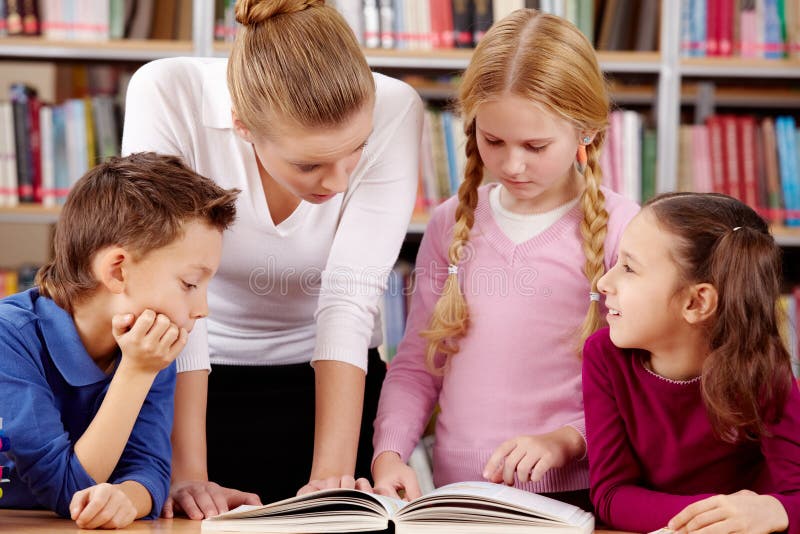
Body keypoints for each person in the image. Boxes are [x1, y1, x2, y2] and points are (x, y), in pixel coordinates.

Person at [121, 0, 423, 516]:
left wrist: (331, 477)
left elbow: (349, 299)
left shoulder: (396, 107)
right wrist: (189, 473)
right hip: (189, 379)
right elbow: (173, 285)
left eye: (356, 150)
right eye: (310, 164)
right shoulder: (168, 95)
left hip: (332, 387)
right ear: (241, 124)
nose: (339, 181)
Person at [370, 8, 639, 510]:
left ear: (586, 131)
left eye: (536, 146)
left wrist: (566, 440)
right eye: (493, 141)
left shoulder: (626, 229)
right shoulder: (451, 223)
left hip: (577, 494)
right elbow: (416, 365)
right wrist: (390, 453)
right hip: (458, 494)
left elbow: (642, 378)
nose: (513, 164)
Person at [0, 153, 238, 529]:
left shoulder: (148, 345)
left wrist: (125, 498)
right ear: (118, 270)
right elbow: (66, 490)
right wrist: (136, 372)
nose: (202, 309)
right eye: (190, 284)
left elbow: (152, 470)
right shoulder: (9, 336)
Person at [583, 192, 800, 533]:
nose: (603, 282)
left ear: (697, 301)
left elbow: (795, 498)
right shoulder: (604, 355)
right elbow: (611, 496)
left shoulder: (763, 368)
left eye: (628, 267)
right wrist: (722, 516)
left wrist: (772, 509)